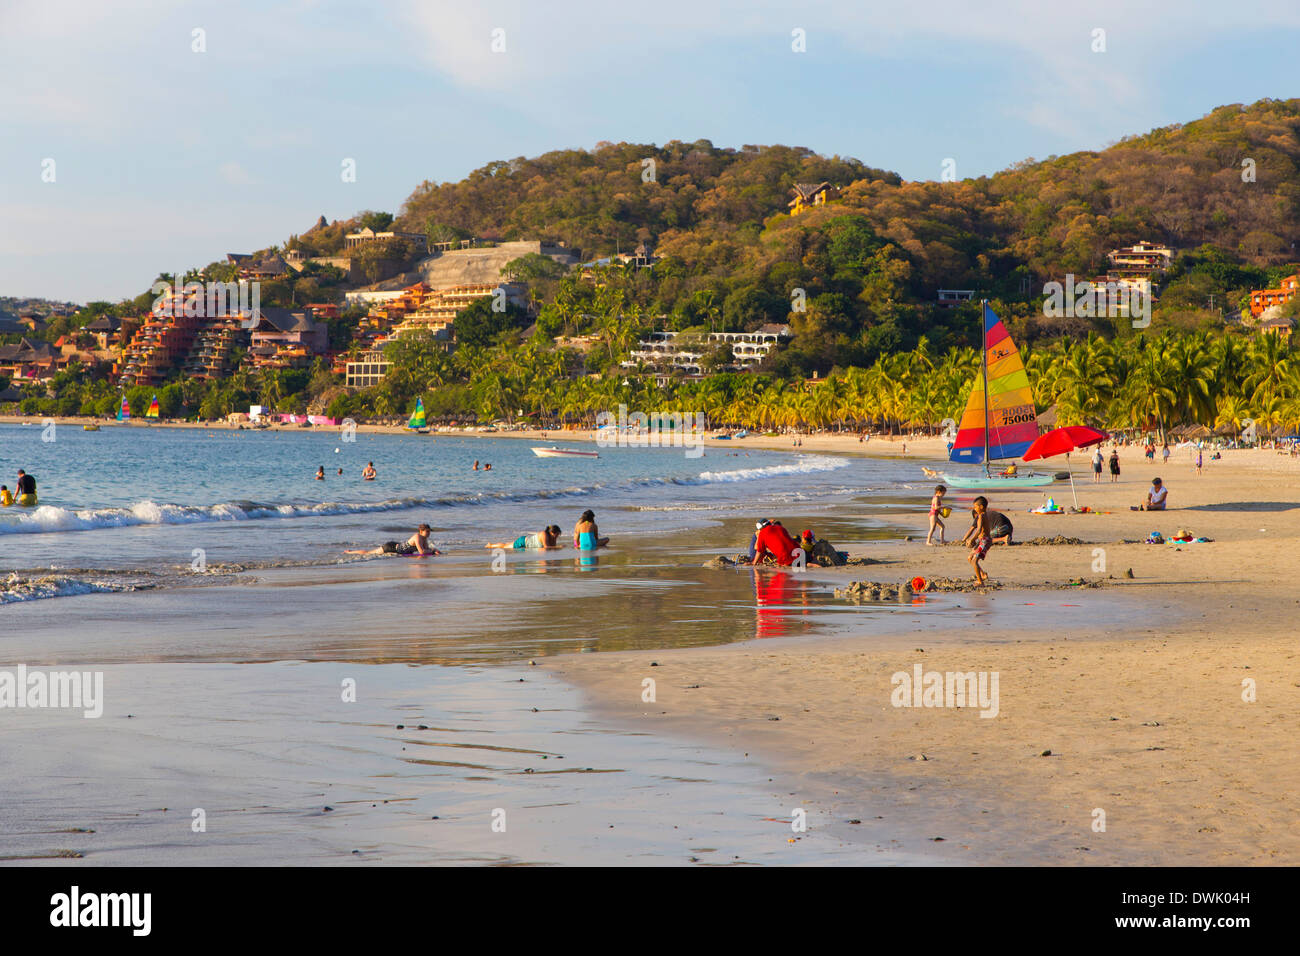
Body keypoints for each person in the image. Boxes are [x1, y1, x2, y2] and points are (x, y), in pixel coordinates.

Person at [351, 523, 440, 556]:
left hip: (399, 547)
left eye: (429, 531)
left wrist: (432, 551)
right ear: (421, 531)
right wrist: (433, 550)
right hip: (391, 547)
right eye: (427, 531)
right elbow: (421, 551)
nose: (429, 533)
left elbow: (426, 550)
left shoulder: (424, 538)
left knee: (369, 552)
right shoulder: (417, 537)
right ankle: (350, 552)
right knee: (369, 553)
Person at [965, 496, 992, 585]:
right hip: (981, 541)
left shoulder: (981, 516)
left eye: (975, 506)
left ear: (981, 507)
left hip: (985, 541)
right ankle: (982, 574)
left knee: (974, 561)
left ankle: (980, 581)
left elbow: (979, 530)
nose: (974, 508)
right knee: (970, 558)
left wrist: (971, 539)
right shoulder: (983, 515)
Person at [487, 525, 562, 550]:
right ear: (552, 532)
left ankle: (491, 545)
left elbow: (552, 547)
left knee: (507, 545)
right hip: (523, 542)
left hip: (526, 543)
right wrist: (559, 547)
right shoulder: (544, 534)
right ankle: (491, 545)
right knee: (505, 546)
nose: (557, 536)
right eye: (557, 534)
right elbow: (546, 547)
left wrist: (556, 545)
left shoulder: (553, 537)